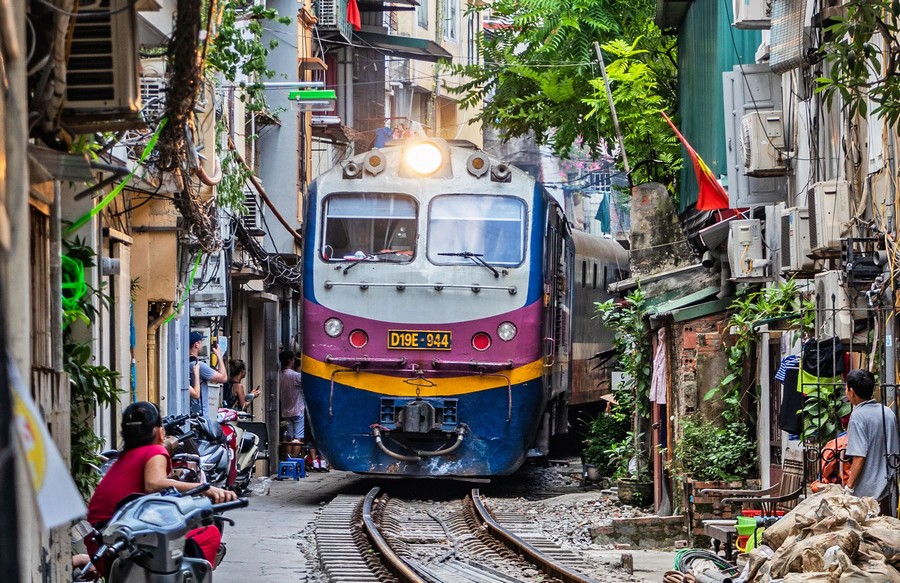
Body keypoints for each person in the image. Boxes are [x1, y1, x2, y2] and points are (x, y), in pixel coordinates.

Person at [87, 402, 237, 568]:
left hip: (99, 542)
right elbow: (154, 483)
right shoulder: (155, 451)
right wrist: (207, 489)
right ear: (158, 431)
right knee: (208, 534)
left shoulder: (126, 456)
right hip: (120, 538)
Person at [844, 369, 900, 515]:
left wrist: (849, 488)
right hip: (887, 490)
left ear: (852, 391)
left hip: (865, 494)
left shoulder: (858, 416)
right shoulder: (887, 412)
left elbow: (859, 456)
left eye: (846, 387)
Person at [189, 331, 227, 416]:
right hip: (200, 414)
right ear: (196, 344)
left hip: (192, 412)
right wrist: (219, 355)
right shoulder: (198, 365)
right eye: (201, 342)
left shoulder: (187, 364)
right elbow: (223, 378)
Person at [279, 350, 305, 444]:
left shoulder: (281, 375)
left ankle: (288, 456)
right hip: (298, 410)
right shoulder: (295, 376)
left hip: (286, 410)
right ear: (290, 360)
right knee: (298, 438)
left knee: (289, 438)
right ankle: (294, 457)